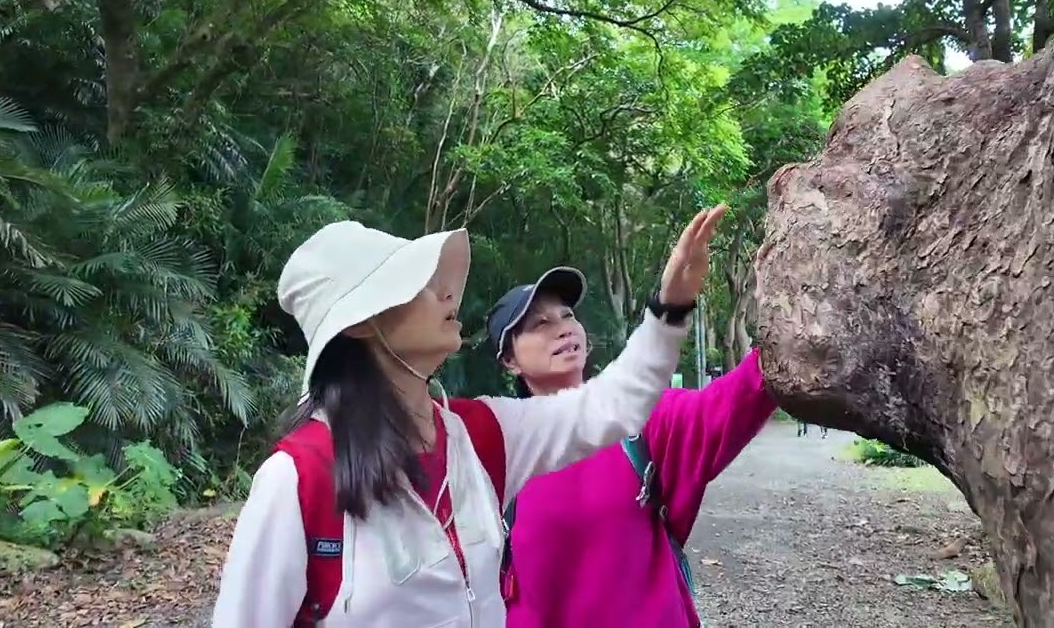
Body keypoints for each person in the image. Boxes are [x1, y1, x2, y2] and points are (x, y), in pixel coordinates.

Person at [211, 205, 726, 628]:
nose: (444, 294)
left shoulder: (480, 436)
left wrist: (670, 307)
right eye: (414, 284)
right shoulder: (297, 478)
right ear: (363, 324)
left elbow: (613, 405)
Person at [486, 226, 776, 627]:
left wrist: (785, 320)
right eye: (539, 324)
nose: (563, 326)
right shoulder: (494, 457)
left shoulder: (639, 421)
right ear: (509, 361)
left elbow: (740, 397)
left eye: (567, 315)